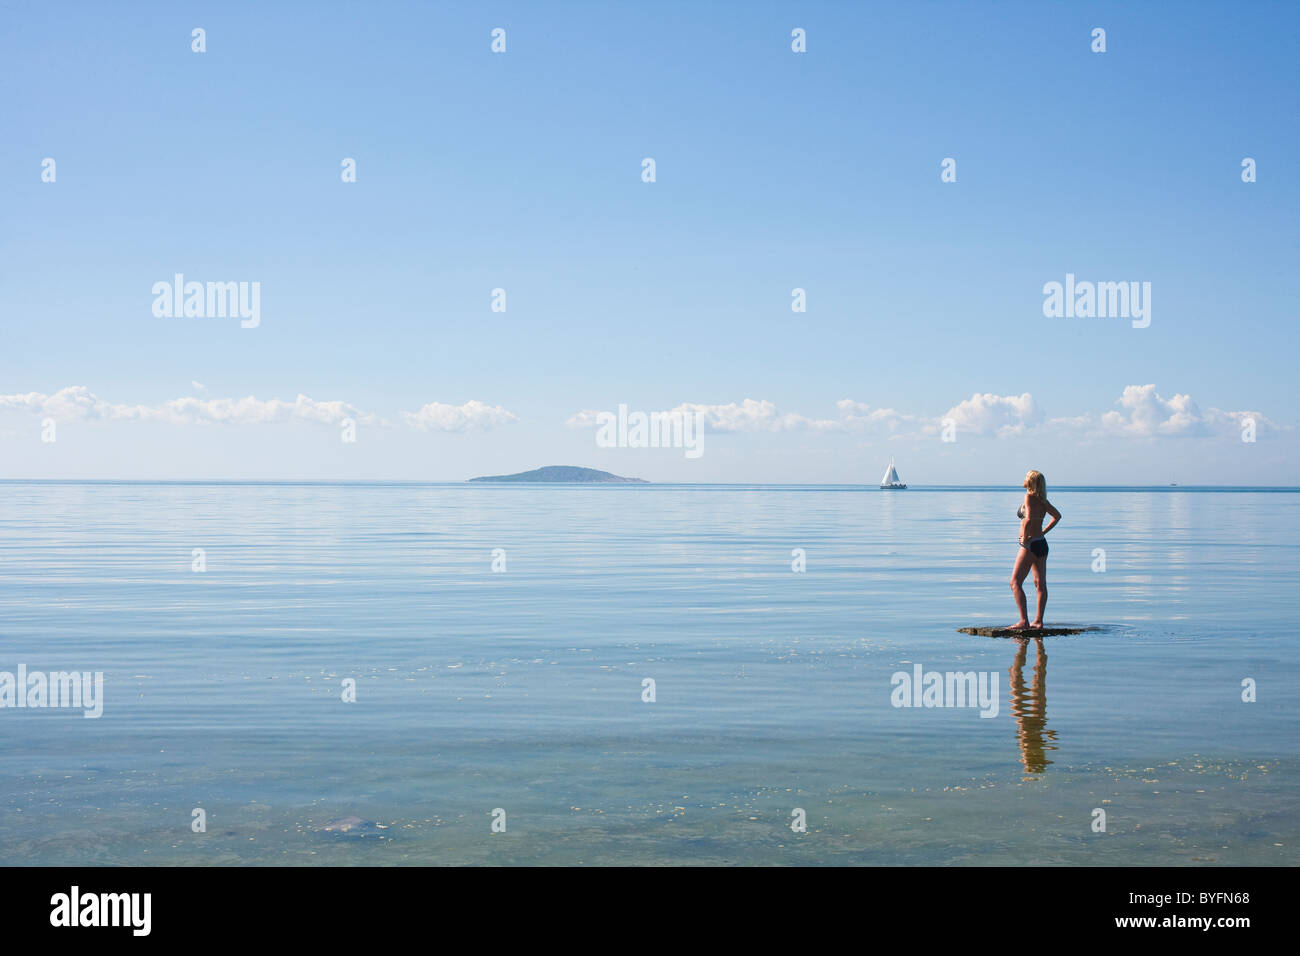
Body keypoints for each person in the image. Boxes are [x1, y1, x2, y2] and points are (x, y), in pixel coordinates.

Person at [1009, 469, 1060, 630]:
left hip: (1030, 545)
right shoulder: (1043, 499)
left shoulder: (1029, 497)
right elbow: (1057, 516)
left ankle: (1024, 621)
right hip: (1042, 544)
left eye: (1026, 477)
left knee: (1015, 582)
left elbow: (1028, 518)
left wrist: (1024, 537)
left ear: (1030, 481)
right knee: (1040, 584)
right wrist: (1043, 532)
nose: (1023, 479)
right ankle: (1038, 621)